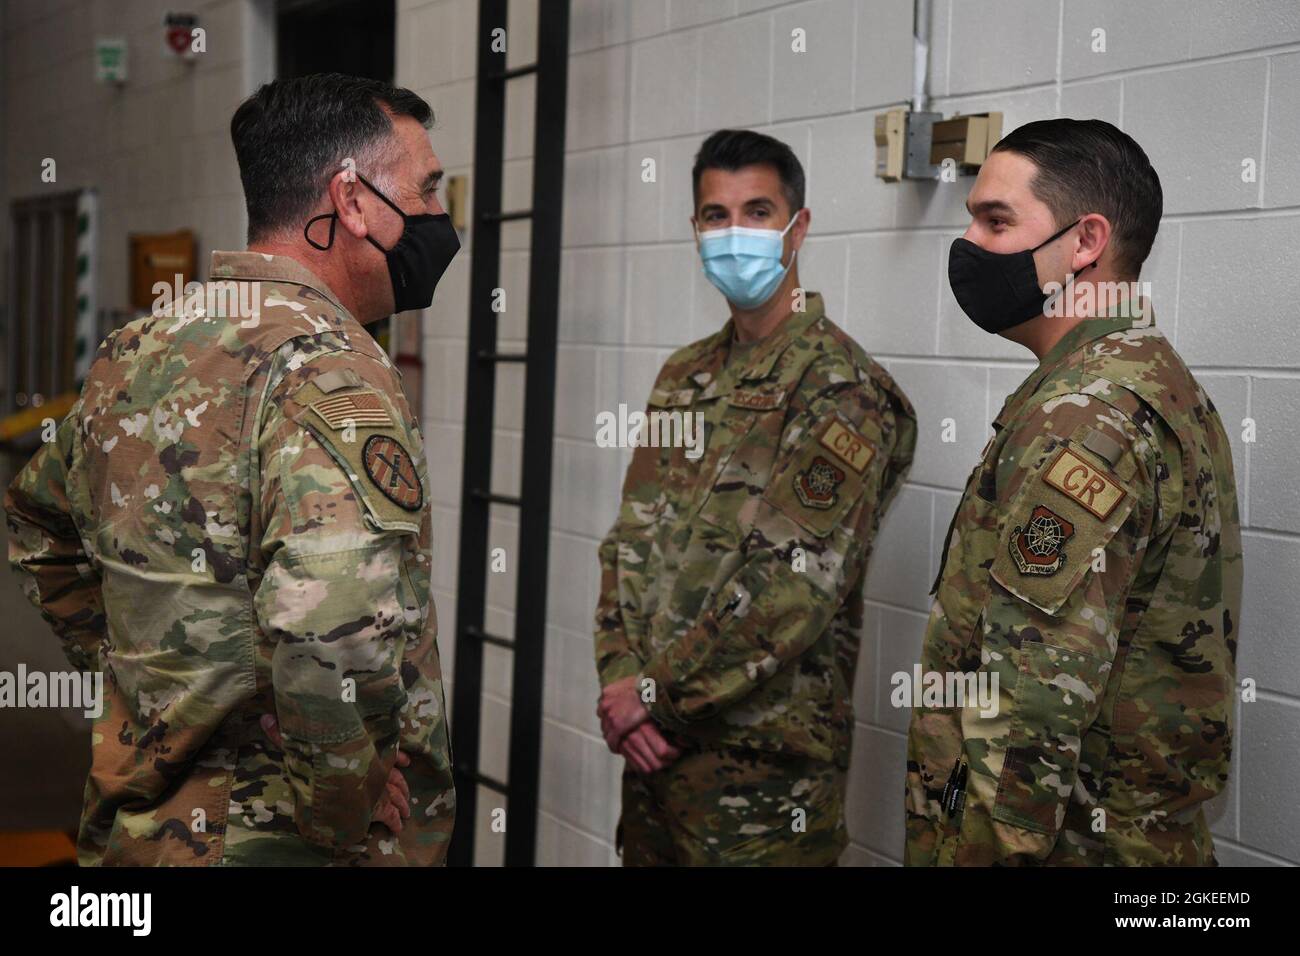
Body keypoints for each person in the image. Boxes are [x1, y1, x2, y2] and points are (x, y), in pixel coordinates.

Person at [5, 73, 458, 865]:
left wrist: (145, 683)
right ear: (352, 203)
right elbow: (333, 623)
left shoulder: (137, 349)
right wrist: (345, 802)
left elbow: (36, 521)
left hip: (140, 839)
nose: (438, 218)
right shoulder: (332, 370)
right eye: (425, 190)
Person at [906, 118, 1242, 866]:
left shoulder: (1087, 413)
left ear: (1085, 242)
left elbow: (1029, 708)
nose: (970, 244)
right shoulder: (1145, 379)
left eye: (996, 220)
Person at [594, 129, 917, 866]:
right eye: (716, 215)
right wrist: (620, 676)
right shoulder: (685, 375)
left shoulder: (840, 388)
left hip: (766, 787)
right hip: (653, 765)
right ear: (695, 230)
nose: (735, 232)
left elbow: (792, 588)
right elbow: (628, 545)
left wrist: (654, 694)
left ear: (797, 228)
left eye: (759, 211)